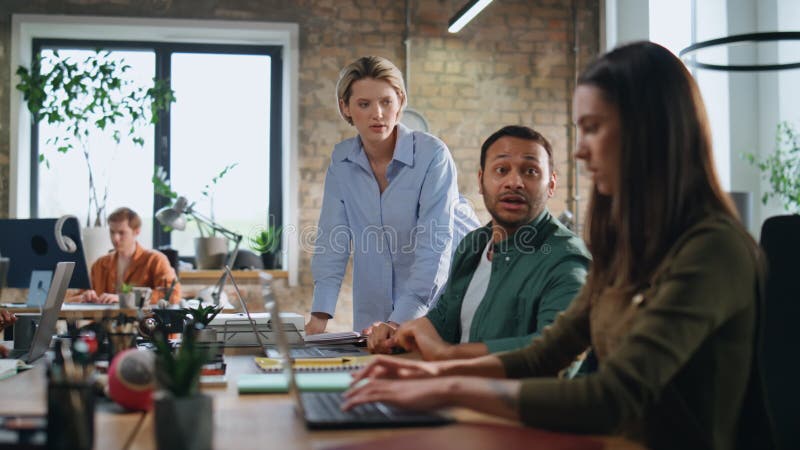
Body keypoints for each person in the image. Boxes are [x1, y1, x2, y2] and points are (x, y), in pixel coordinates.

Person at [343, 42, 774, 450]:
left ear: (649, 131)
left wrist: (444, 385)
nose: (581, 152)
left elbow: (613, 398)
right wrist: (432, 372)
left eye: (593, 129)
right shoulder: (626, 248)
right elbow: (544, 354)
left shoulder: (712, 249)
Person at [366, 125, 590, 360]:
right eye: (501, 170)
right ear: (481, 181)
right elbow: (442, 321)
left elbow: (559, 349)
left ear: (552, 184)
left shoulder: (566, 258)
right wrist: (400, 336)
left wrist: (450, 354)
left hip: (515, 396)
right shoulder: (473, 245)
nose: (514, 182)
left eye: (531, 171)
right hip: (453, 389)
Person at [307, 56, 478, 334]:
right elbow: (332, 240)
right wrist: (319, 317)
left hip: (440, 295)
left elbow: (434, 246)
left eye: (386, 101)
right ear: (345, 107)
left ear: (400, 102)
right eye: (364, 104)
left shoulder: (432, 156)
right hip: (375, 304)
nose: (378, 113)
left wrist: (398, 322)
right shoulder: (342, 162)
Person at [71, 207, 181, 304]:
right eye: (112, 232)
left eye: (121, 233)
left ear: (136, 231)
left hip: (141, 324)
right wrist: (85, 297)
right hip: (104, 324)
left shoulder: (155, 259)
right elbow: (73, 296)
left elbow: (172, 294)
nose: (115, 238)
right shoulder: (100, 264)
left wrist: (126, 299)